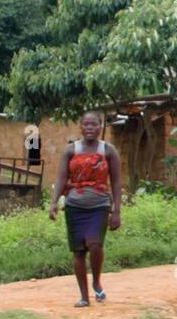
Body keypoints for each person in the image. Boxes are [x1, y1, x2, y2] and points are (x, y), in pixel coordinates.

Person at [48, 111, 122, 307]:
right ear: (80, 127)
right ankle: (84, 296)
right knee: (78, 251)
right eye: (86, 124)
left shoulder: (108, 150)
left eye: (94, 125)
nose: (90, 128)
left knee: (95, 244)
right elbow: (61, 179)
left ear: (100, 127)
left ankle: (96, 280)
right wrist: (54, 203)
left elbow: (115, 181)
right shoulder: (71, 150)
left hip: (99, 204)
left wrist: (117, 210)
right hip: (74, 206)